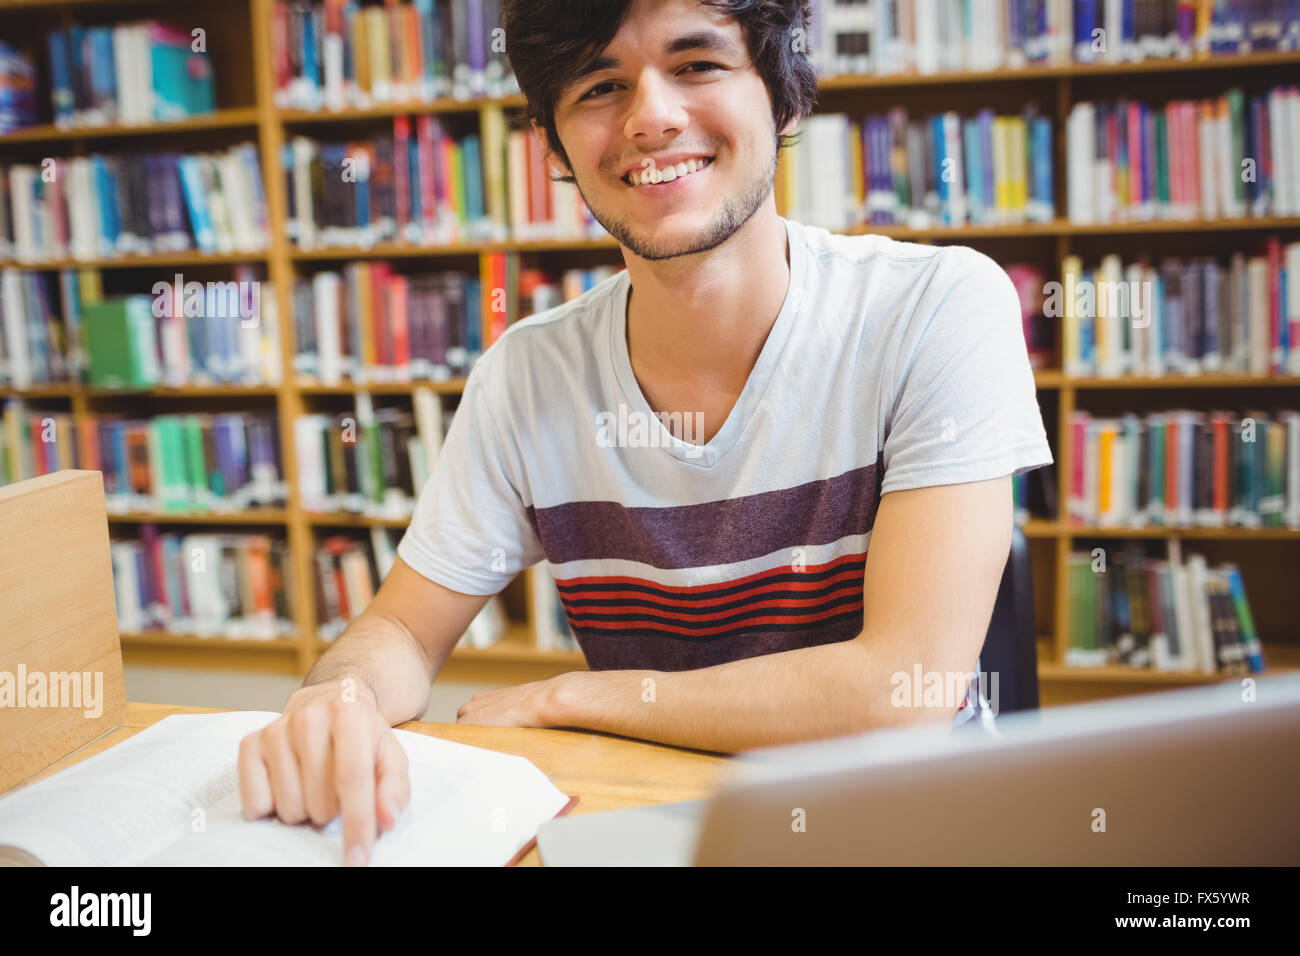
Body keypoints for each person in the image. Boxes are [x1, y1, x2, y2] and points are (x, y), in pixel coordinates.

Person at [239, 0, 1053, 865]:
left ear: (782, 97)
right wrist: (337, 698)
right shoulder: (526, 377)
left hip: (918, 834)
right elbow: (400, 632)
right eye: (601, 85)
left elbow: (900, 691)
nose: (651, 117)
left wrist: (571, 698)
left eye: (697, 64)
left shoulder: (936, 308)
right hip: (666, 830)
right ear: (555, 148)